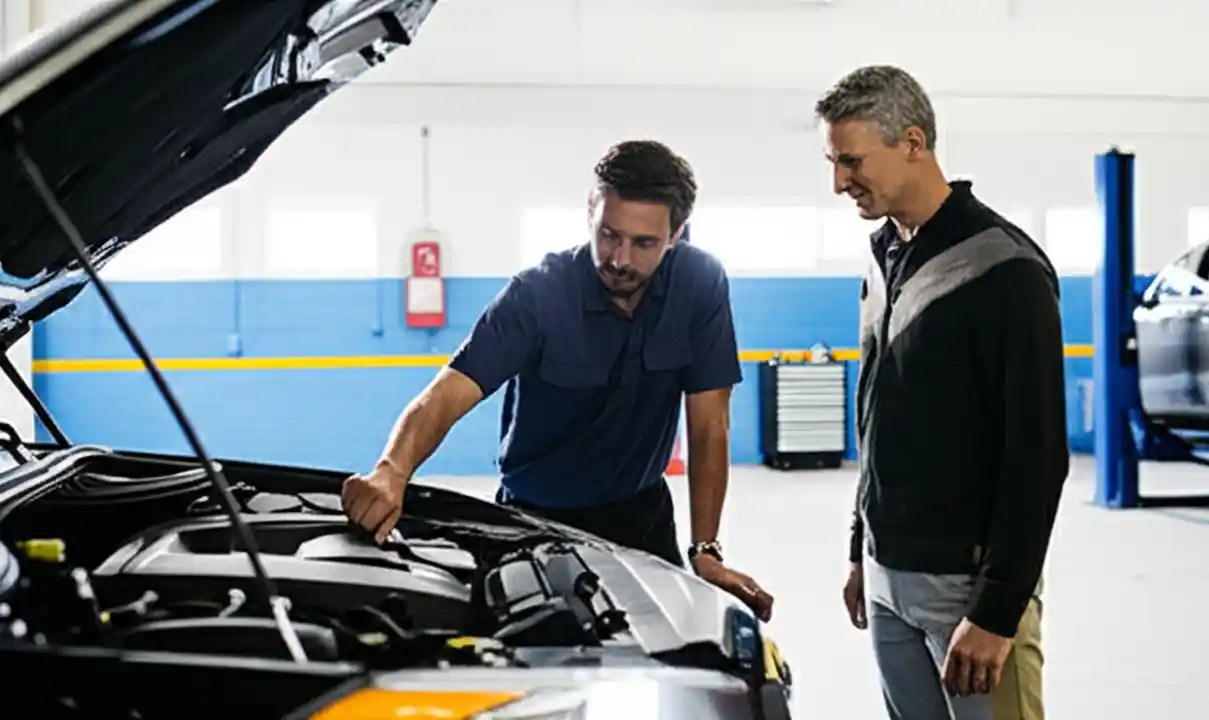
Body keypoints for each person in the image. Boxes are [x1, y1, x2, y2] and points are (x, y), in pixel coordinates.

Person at [341, 139, 774, 621]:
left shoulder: (700, 283)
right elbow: (449, 392)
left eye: (644, 243)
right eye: (609, 234)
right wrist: (391, 471)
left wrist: (706, 550)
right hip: (535, 522)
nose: (620, 258)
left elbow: (710, 424)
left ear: (676, 234)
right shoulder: (538, 294)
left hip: (642, 518)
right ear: (591, 210)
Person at [815, 65, 1068, 720]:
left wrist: (997, 610)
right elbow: (880, 416)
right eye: (833, 162)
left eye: (851, 161)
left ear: (914, 142)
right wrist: (857, 549)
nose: (839, 182)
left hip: (967, 592)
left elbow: (1037, 454)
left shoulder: (1005, 269)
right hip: (886, 575)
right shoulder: (884, 258)